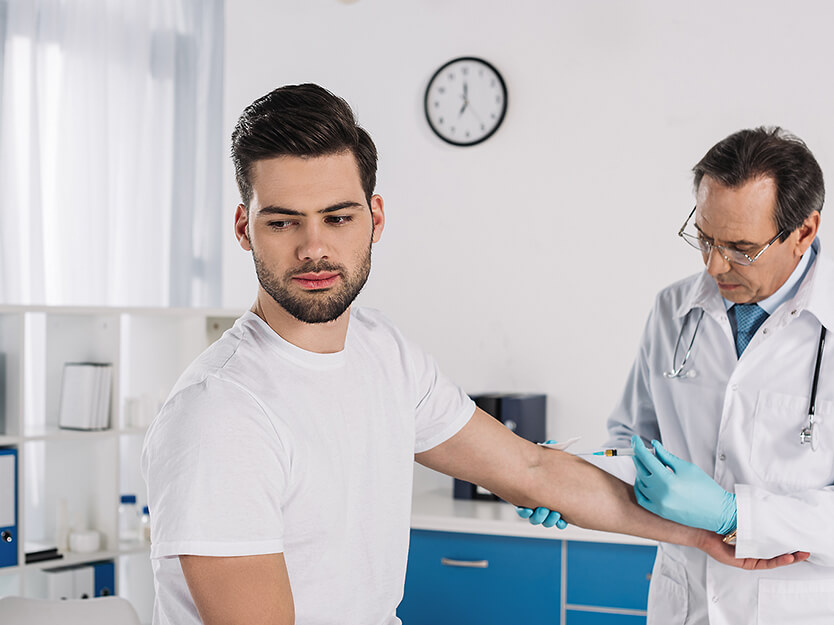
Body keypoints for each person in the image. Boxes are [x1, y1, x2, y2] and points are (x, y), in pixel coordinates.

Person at [141, 89, 802, 625]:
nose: (315, 247)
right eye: (283, 221)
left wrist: (702, 534)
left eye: (337, 217)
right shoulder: (222, 415)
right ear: (242, 227)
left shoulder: (383, 353)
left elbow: (531, 469)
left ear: (375, 216)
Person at [520, 126, 833, 624]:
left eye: (740, 247)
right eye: (704, 239)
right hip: (684, 602)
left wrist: (736, 514)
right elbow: (633, 444)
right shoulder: (674, 309)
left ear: (804, 232)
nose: (714, 266)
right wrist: (576, 480)